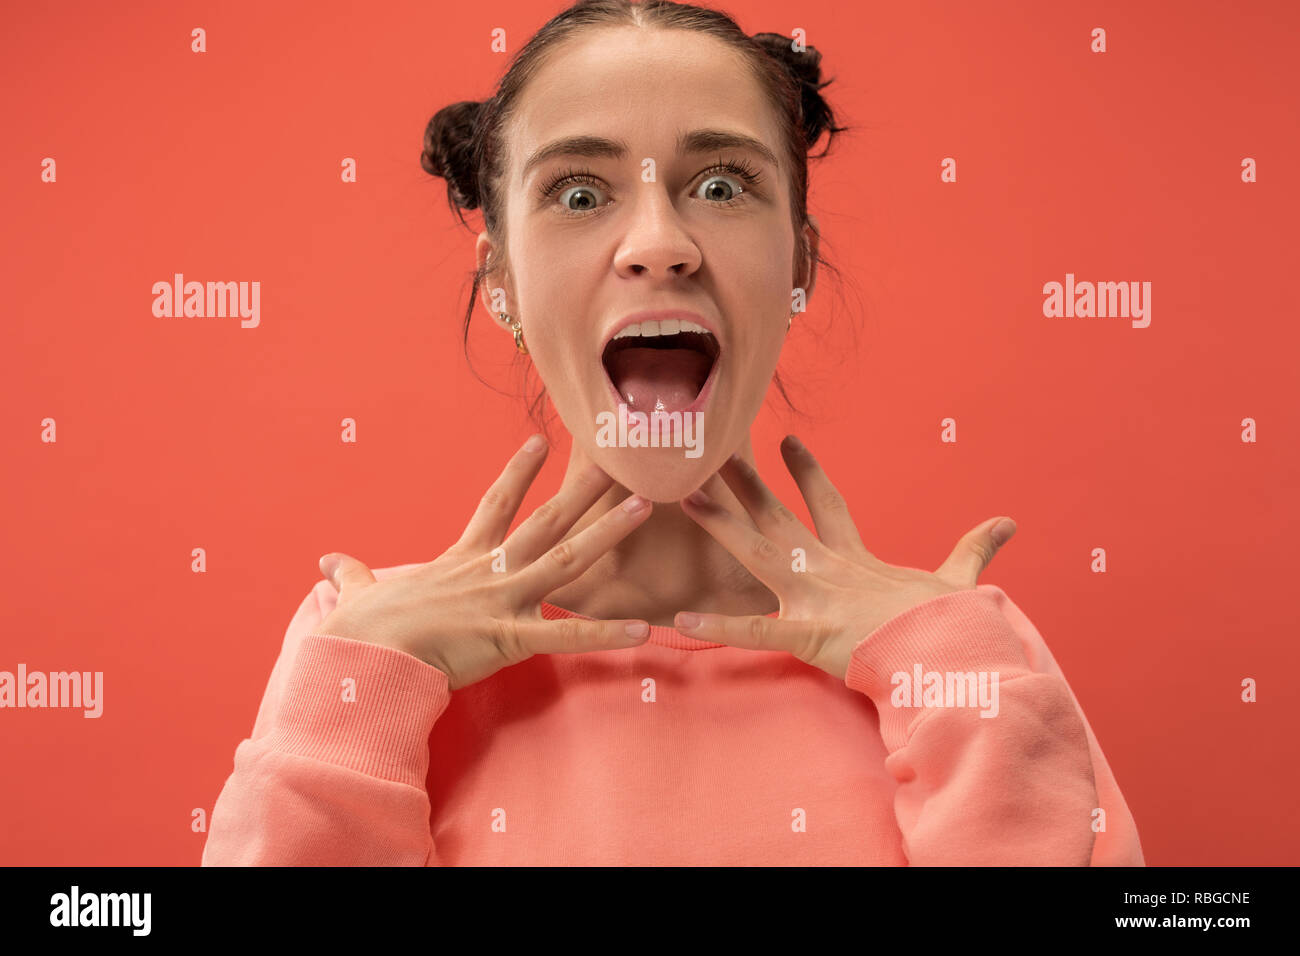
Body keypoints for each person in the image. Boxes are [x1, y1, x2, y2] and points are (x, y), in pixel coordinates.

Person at [202, 0, 1144, 866]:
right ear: (503, 286)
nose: (659, 242)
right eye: (578, 193)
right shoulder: (369, 646)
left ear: (798, 264)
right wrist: (358, 700)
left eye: (724, 185)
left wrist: (947, 677)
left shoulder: (962, 653)